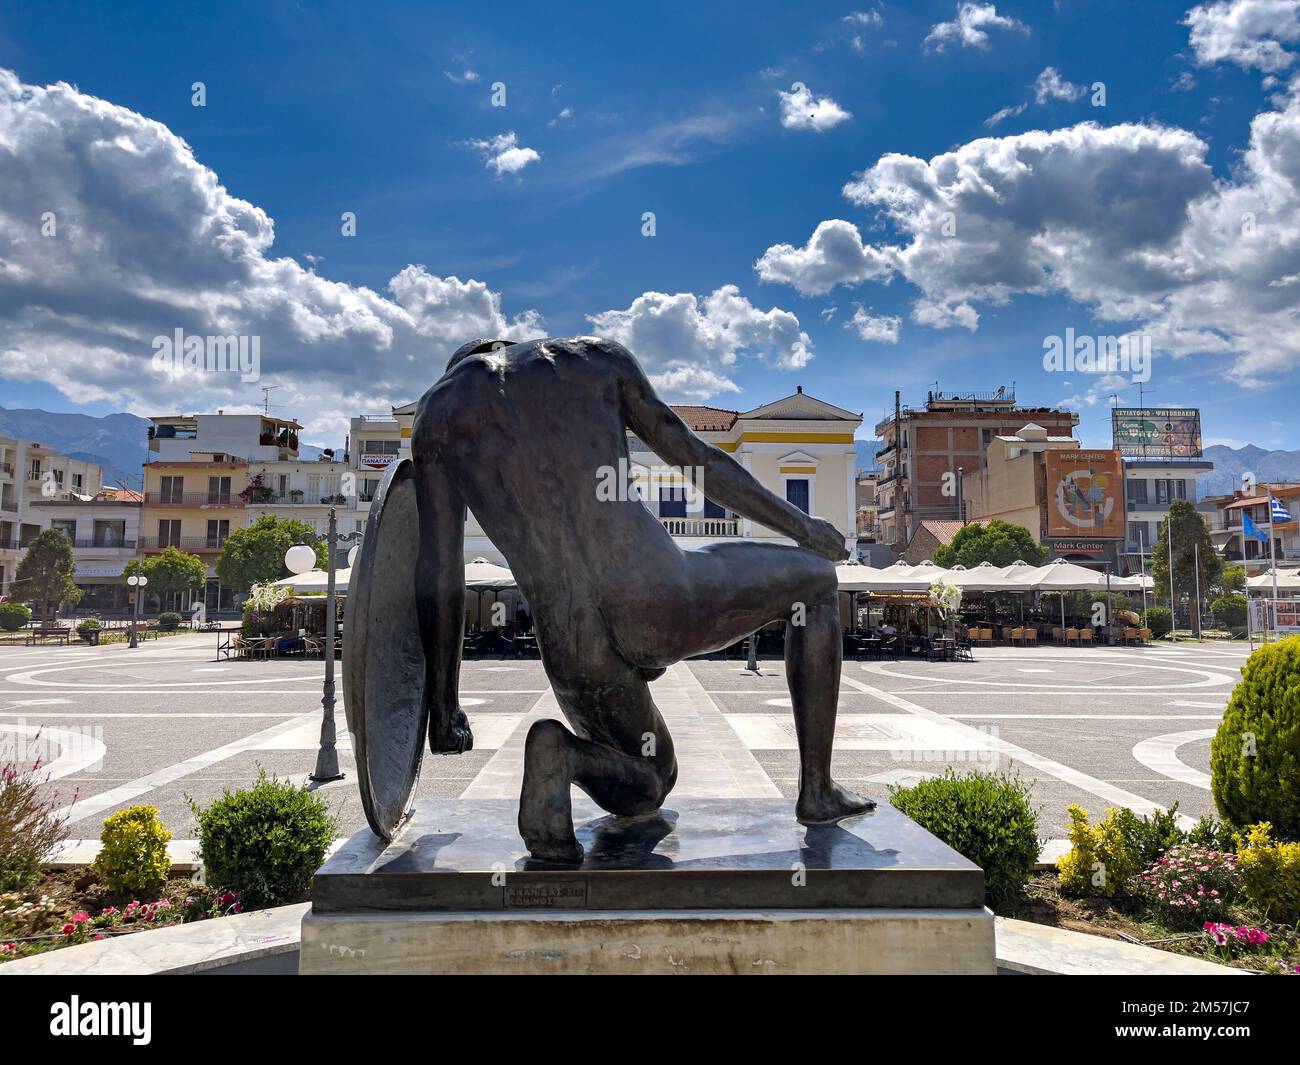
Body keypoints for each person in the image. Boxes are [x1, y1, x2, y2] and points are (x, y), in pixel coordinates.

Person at [412, 336, 874, 863]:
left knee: (650, 780)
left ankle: (560, 753)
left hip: (571, 640)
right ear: (509, 346)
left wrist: (444, 706)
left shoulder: (438, 416)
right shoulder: (592, 359)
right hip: (655, 590)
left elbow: (439, 572)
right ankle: (816, 791)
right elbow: (696, 459)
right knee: (815, 583)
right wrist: (802, 527)